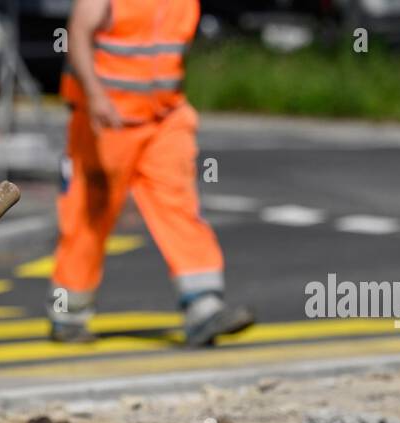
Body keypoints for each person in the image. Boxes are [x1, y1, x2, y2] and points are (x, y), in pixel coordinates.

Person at [47, 0, 254, 347]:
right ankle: (68, 313)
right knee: (89, 215)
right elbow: (78, 33)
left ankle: (203, 306)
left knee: (178, 206)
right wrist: (95, 96)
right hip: (106, 119)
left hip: (164, 118)